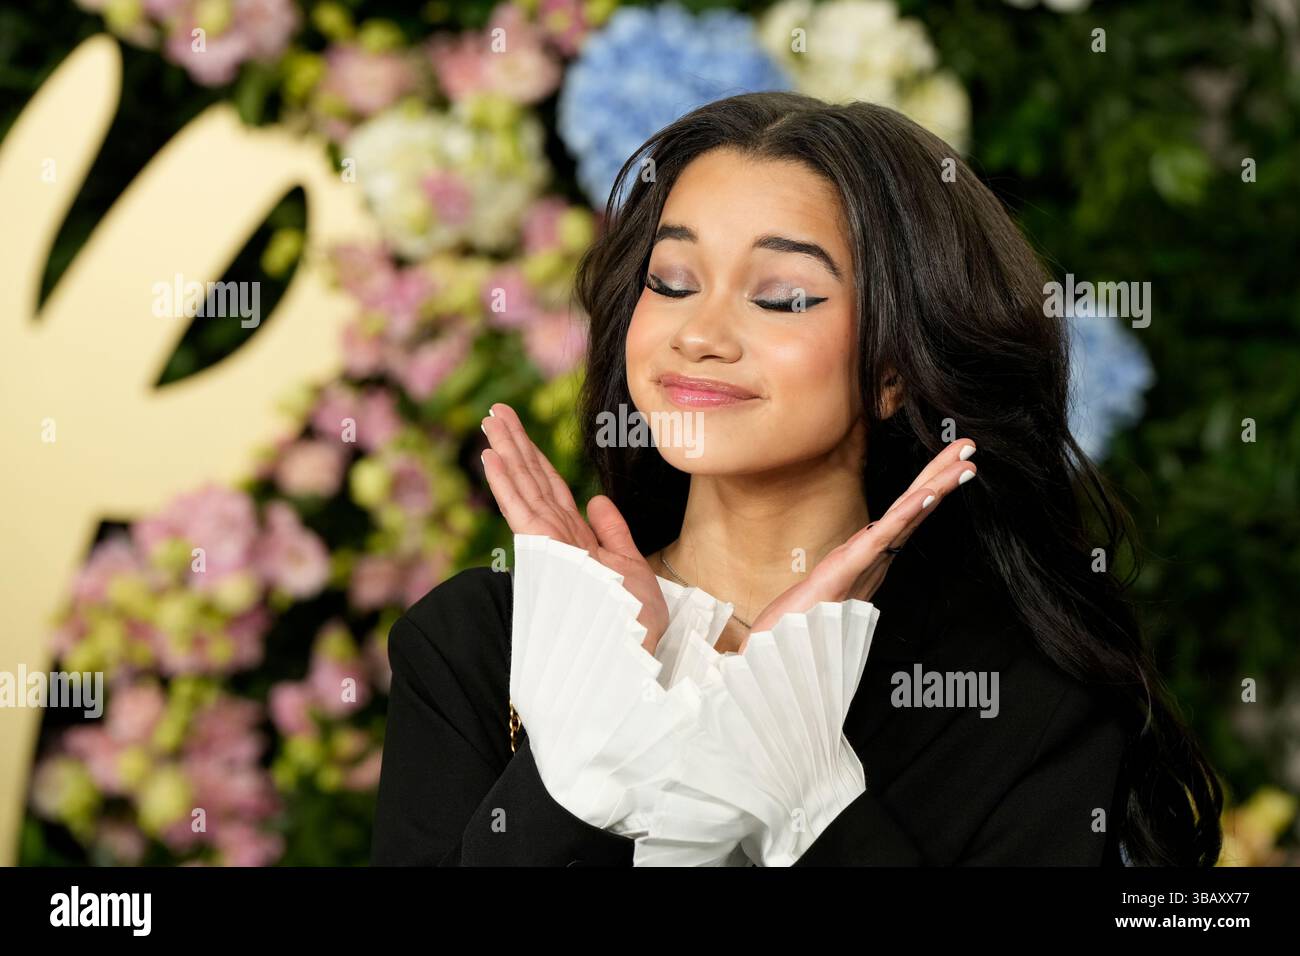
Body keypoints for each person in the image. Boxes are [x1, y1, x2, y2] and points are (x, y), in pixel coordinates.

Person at [370, 92, 1223, 866]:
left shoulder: (1022, 708)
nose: (698, 333)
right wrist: (580, 761)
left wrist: (814, 803)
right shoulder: (478, 644)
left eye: (780, 297)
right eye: (671, 282)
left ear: (895, 366)